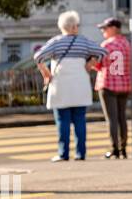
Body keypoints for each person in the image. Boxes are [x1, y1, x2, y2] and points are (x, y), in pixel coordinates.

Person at [34, 11, 106, 162]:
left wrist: (45, 72)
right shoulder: (84, 42)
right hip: (80, 86)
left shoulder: (56, 42)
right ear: (73, 26)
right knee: (80, 120)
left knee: (62, 121)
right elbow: (102, 52)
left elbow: (38, 56)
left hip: (61, 87)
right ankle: (80, 154)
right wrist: (91, 63)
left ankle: (63, 153)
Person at [95, 17, 132, 160]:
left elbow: (98, 65)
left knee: (112, 119)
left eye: (105, 28)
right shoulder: (126, 44)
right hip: (124, 85)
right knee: (122, 117)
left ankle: (114, 148)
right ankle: (123, 148)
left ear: (113, 28)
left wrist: (92, 64)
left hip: (108, 84)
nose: (103, 31)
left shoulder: (106, 45)